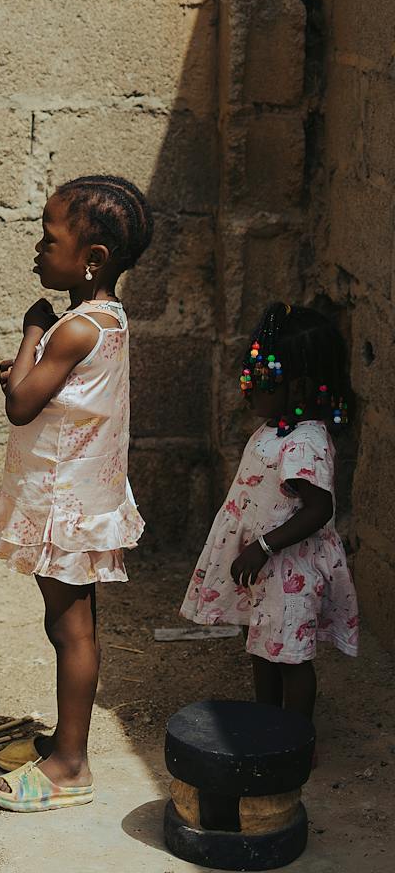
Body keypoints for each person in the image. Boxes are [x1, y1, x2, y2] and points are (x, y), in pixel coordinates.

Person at [0, 175, 154, 813]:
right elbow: (55, 394)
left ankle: (70, 765)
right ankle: (66, 738)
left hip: (63, 500)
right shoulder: (102, 319)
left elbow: (23, 404)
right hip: (76, 493)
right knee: (71, 621)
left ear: (93, 259)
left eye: (48, 236)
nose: (37, 246)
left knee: (70, 626)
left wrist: (32, 332)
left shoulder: (73, 329)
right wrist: (34, 358)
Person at [181, 304, 358, 726]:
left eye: (260, 381)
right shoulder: (276, 429)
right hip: (262, 569)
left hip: (287, 569)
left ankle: (295, 740)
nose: (248, 391)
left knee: (291, 659)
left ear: (297, 388)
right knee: (262, 648)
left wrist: (262, 547)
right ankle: (266, 729)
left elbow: (319, 509)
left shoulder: (305, 441)